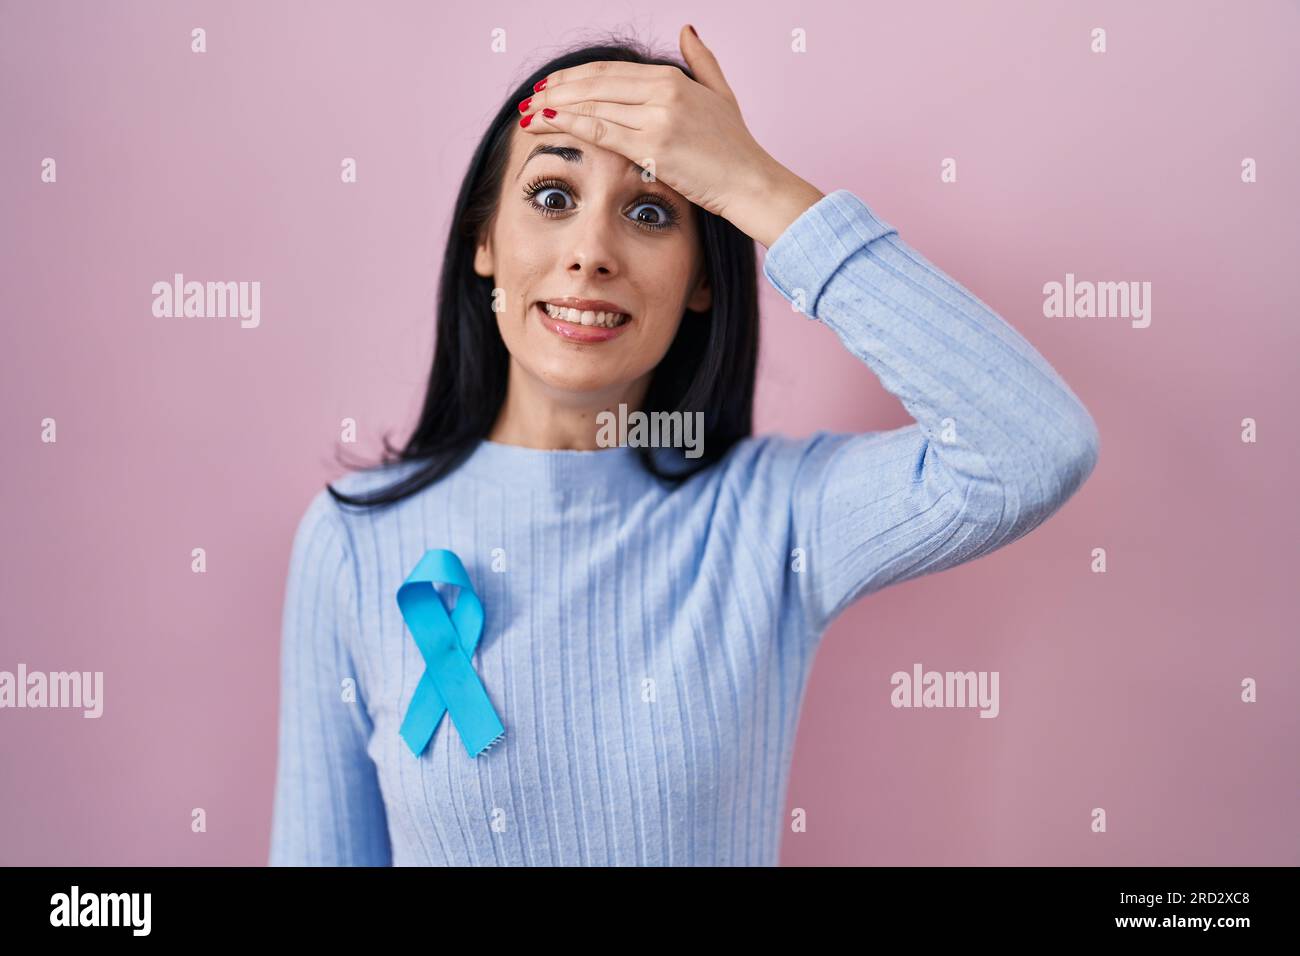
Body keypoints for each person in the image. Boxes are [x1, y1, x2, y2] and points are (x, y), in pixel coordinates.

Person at [269, 27, 1099, 866]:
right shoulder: (351, 541)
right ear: (485, 243)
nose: (591, 254)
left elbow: (1034, 448)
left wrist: (754, 184)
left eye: (650, 211)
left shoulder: (773, 518)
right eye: (552, 197)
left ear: (703, 279)